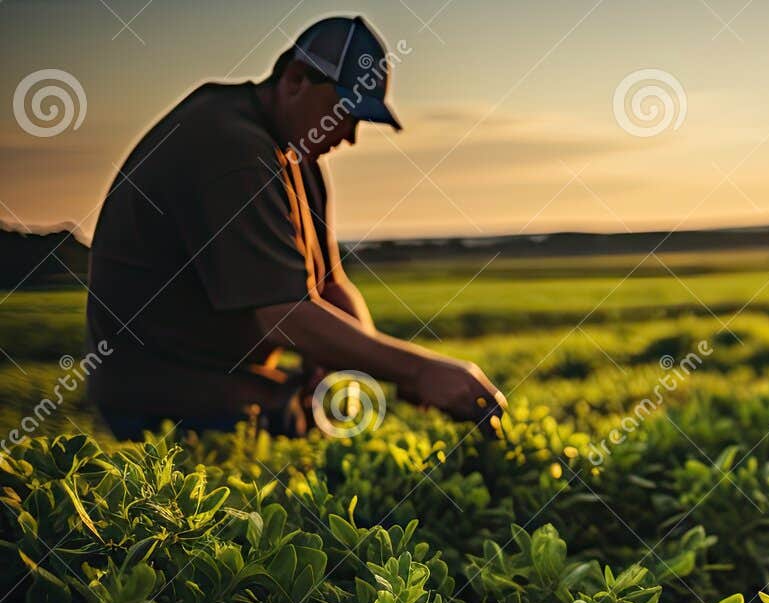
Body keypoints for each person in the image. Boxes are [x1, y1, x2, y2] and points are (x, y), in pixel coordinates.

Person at [85, 16, 505, 438]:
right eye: (344, 112)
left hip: (232, 380)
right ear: (295, 79)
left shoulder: (296, 156)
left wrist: (365, 366)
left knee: (316, 424)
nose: (350, 136)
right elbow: (284, 315)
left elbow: (330, 287)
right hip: (164, 397)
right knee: (288, 442)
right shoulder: (233, 148)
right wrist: (419, 371)